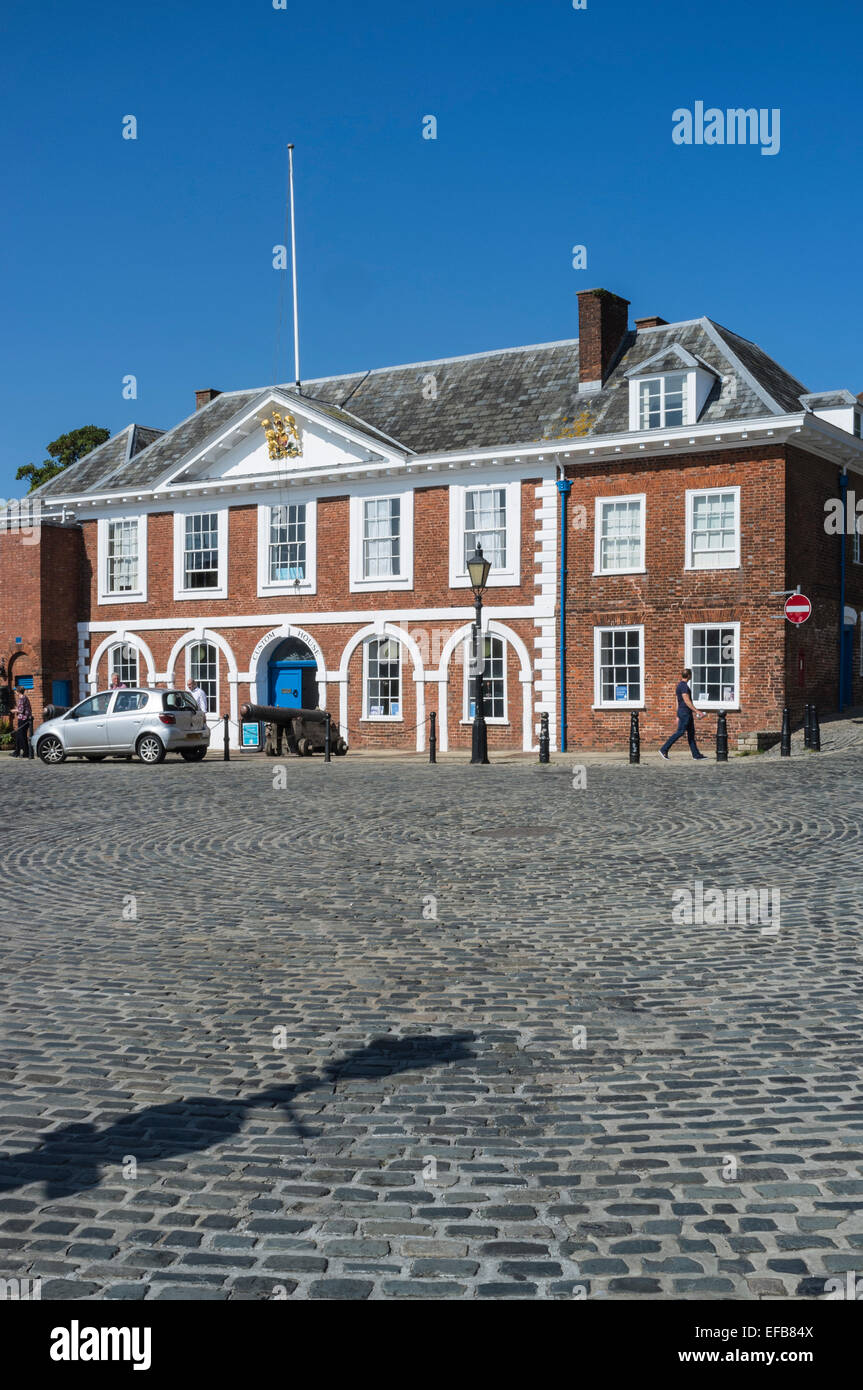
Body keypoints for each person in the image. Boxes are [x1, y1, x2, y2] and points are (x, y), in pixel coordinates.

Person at [659, 667, 707, 761]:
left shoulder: (679, 686)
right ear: (689, 676)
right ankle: (664, 749)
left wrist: (677, 715)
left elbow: (677, 701)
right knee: (680, 732)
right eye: (691, 675)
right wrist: (697, 711)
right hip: (685, 712)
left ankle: (696, 755)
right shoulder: (684, 686)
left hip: (683, 712)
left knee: (691, 734)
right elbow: (686, 701)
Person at [12, 685, 32, 758]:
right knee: (19, 735)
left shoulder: (21, 698)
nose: (15, 692)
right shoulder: (25, 697)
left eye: (16, 691)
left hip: (23, 719)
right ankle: (17, 752)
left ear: (18, 691)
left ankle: (25, 752)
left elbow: (21, 710)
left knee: (22, 736)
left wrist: (14, 710)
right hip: (25, 718)